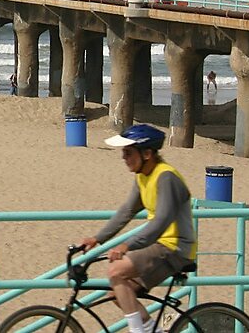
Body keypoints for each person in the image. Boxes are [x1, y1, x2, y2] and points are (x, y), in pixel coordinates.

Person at [79, 124, 196, 333]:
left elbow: (161, 222)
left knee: (116, 270)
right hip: (161, 245)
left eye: (128, 152)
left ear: (147, 153)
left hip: (175, 247)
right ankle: (152, 330)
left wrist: (127, 245)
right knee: (118, 293)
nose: (124, 157)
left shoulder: (165, 177)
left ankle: (138, 330)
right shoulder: (143, 175)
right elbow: (126, 211)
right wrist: (97, 239)